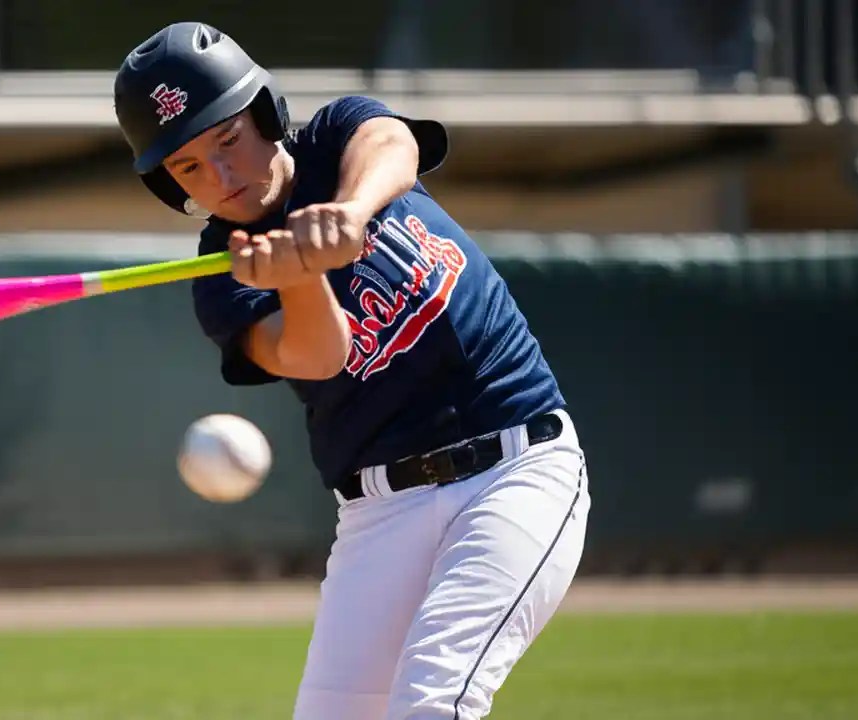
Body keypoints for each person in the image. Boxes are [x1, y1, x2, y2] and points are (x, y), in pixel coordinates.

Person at [113, 22, 591, 720]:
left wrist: (349, 212)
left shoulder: (335, 138)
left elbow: (394, 145)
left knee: (433, 700)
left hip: (514, 468)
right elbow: (317, 356)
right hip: (382, 512)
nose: (221, 176)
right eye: (188, 167)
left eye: (228, 140)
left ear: (265, 113)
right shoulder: (223, 278)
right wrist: (299, 275)